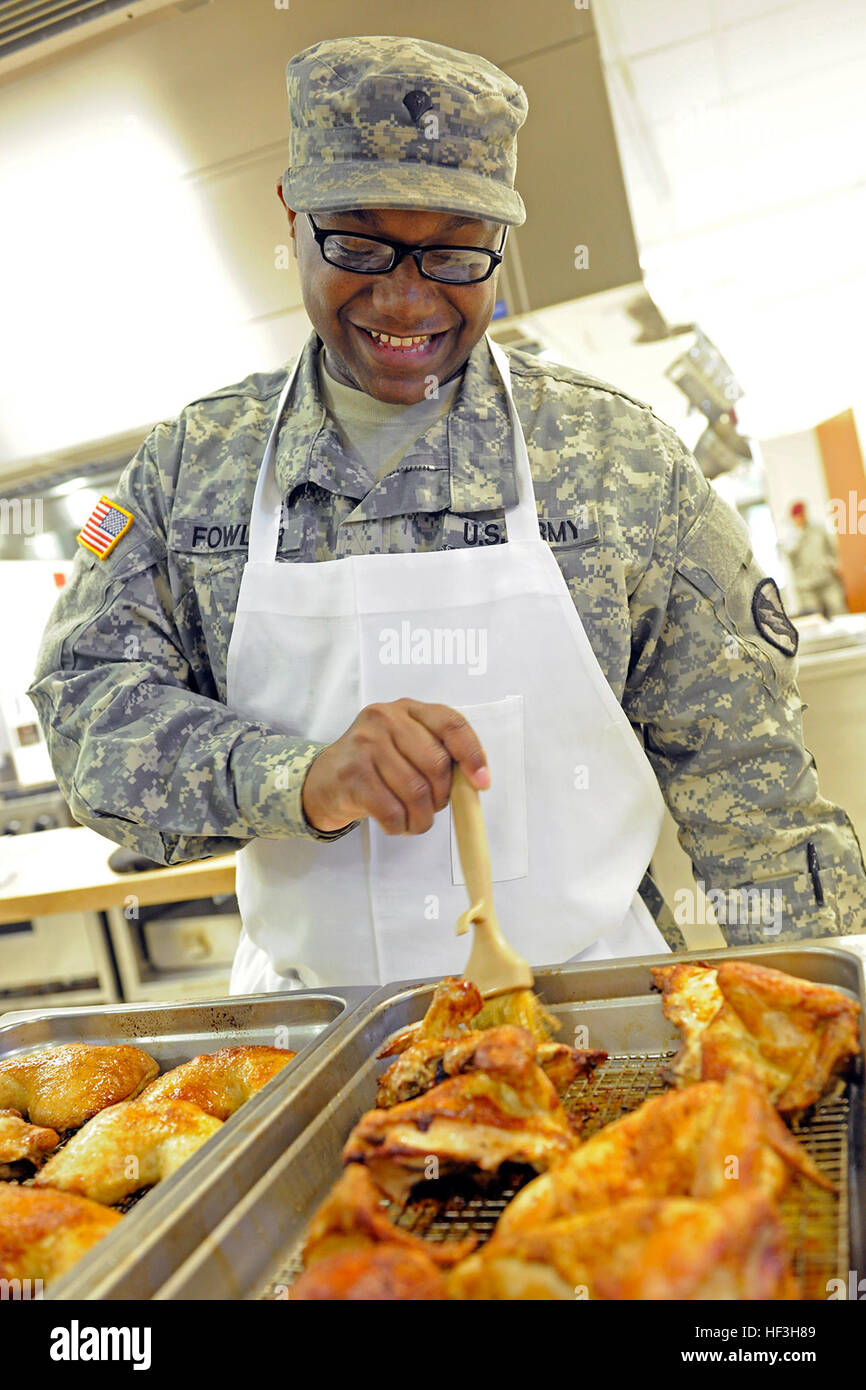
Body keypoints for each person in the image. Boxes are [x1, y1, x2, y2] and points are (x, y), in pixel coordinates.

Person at [29, 36, 866, 993]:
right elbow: (88, 716)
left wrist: (828, 1009)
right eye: (357, 242)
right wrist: (296, 776)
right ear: (292, 216)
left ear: (504, 242)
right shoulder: (191, 471)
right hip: (314, 1038)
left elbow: (752, 793)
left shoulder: (619, 465)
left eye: (456, 253)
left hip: (597, 1018)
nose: (405, 296)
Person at [786, 501, 848, 618]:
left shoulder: (818, 529)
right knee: (814, 616)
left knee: (838, 609)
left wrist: (835, 565)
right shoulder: (790, 536)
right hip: (806, 586)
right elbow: (790, 555)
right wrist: (799, 532)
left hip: (826, 579)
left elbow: (831, 550)